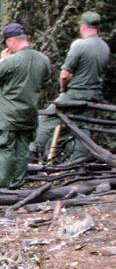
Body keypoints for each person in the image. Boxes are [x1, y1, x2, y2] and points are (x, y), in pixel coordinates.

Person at [38, 11, 109, 162]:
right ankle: (78, 162)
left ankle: (31, 153)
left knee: (45, 119)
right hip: (94, 95)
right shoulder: (104, 47)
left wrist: (63, 89)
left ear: (83, 26)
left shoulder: (80, 45)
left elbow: (64, 74)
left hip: (75, 94)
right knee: (81, 128)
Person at [0, 23, 52, 188]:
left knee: (2, 151)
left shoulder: (10, 61)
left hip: (7, 117)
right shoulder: (43, 60)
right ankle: (16, 187)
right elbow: (45, 83)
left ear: (11, 41)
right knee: (22, 152)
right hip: (29, 115)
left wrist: (2, 59)